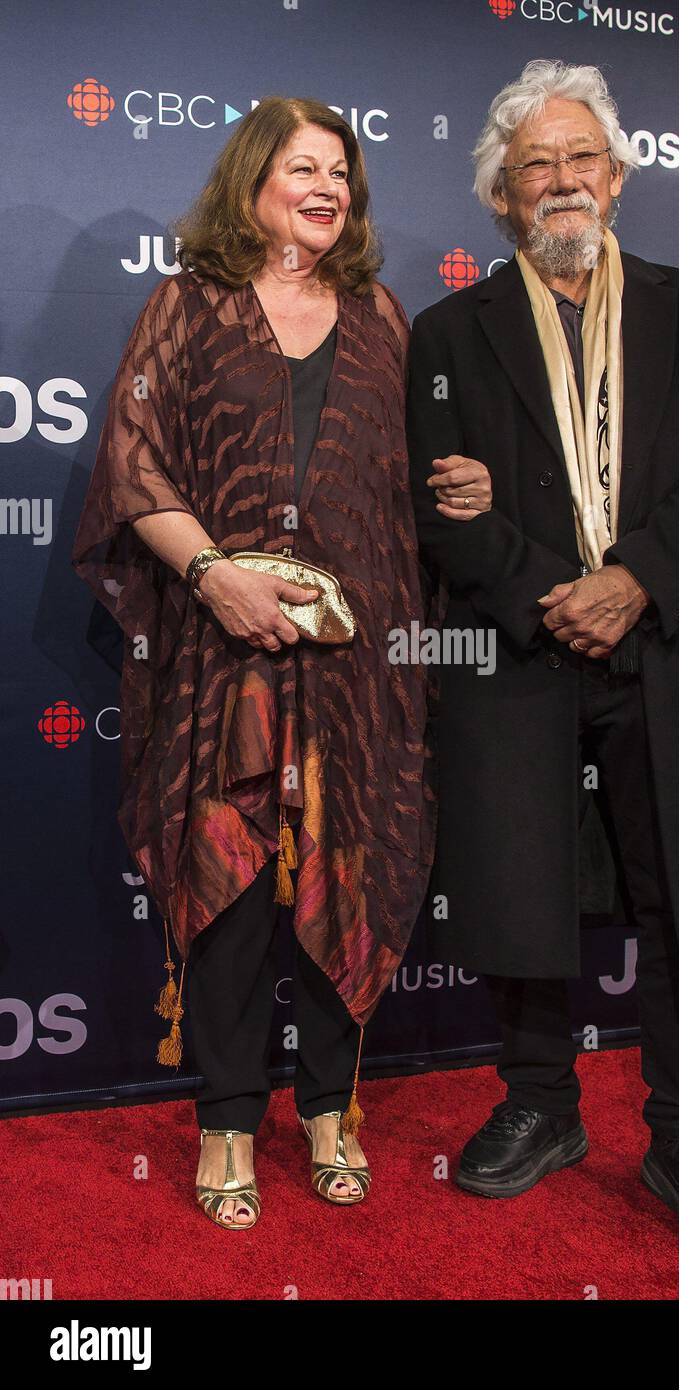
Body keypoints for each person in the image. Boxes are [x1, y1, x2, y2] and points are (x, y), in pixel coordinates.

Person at [405, 59, 679, 1255]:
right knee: (516, 880)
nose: (563, 179)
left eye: (583, 157)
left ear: (621, 177)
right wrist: (556, 594)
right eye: (536, 162)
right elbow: (446, 511)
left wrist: (633, 579)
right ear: (499, 195)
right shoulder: (447, 334)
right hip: (522, 650)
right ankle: (539, 1102)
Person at [72, 96, 435, 1228]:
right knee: (225, 883)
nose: (327, 187)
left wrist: (459, 487)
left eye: (342, 171)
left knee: (349, 867)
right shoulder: (185, 306)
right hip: (220, 654)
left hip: (351, 668)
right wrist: (214, 578)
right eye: (303, 167)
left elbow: (405, 484)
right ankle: (229, 1119)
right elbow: (133, 472)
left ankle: (331, 1107)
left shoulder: (381, 315)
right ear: (252, 180)